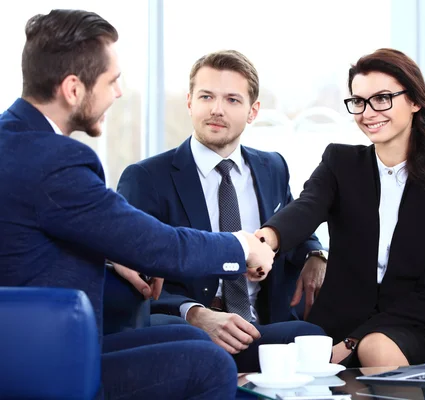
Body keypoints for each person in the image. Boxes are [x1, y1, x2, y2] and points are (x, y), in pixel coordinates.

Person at [0, 9, 275, 399]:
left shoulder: (12, 138)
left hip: (27, 347)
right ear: (74, 89)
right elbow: (162, 245)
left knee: (192, 342)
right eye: (112, 81)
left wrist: (113, 256)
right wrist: (243, 246)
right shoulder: (54, 160)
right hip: (39, 363)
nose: (119, 92)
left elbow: (31, 231)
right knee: (208, 364)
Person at [256, 48, 425, 368]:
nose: (368, 112)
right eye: (359, 101)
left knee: (375, 348)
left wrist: (355, 341)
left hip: (412, 326)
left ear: (414, 102)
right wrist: (264, 240)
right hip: (337, 322)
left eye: (382, 98)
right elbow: (306, 208)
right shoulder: (340, 163)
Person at [116, 50, 327, 372]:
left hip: (261, 322)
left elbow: (295, 227)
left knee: (310, 338)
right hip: (190, 327)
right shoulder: (146, 177)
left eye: (231, 99)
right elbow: (133, 274)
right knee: (298, 339)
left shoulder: (273, 167)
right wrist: (195, 313)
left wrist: (316, 255)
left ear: (252, 110)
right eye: (206, 97)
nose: (216, 109)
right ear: (190, 102)